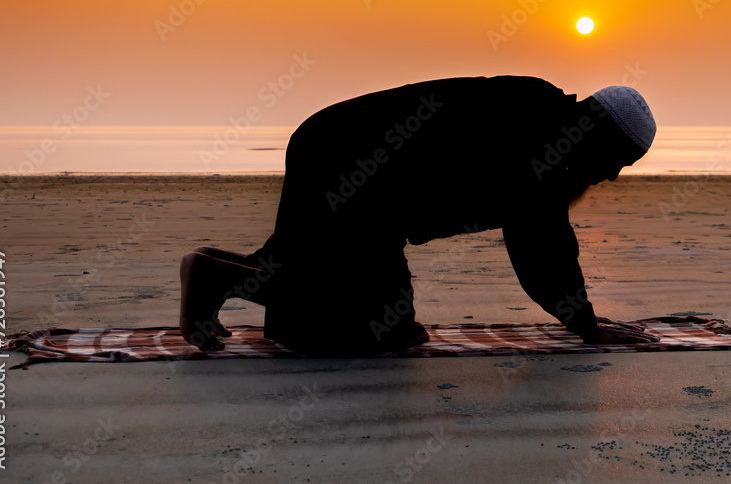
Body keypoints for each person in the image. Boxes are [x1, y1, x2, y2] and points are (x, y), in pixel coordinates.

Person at [179, 75, 658, 353]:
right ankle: (215, 278)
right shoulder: (545, 142)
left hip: (334, 145)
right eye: (618, 161)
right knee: (388, 329)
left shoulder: (545, 113)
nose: (612, 176)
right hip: (350, 160)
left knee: (326, 291)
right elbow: (541, 243)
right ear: (601, 133)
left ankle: (217, 270)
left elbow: (541, 232)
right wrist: (588, 327)